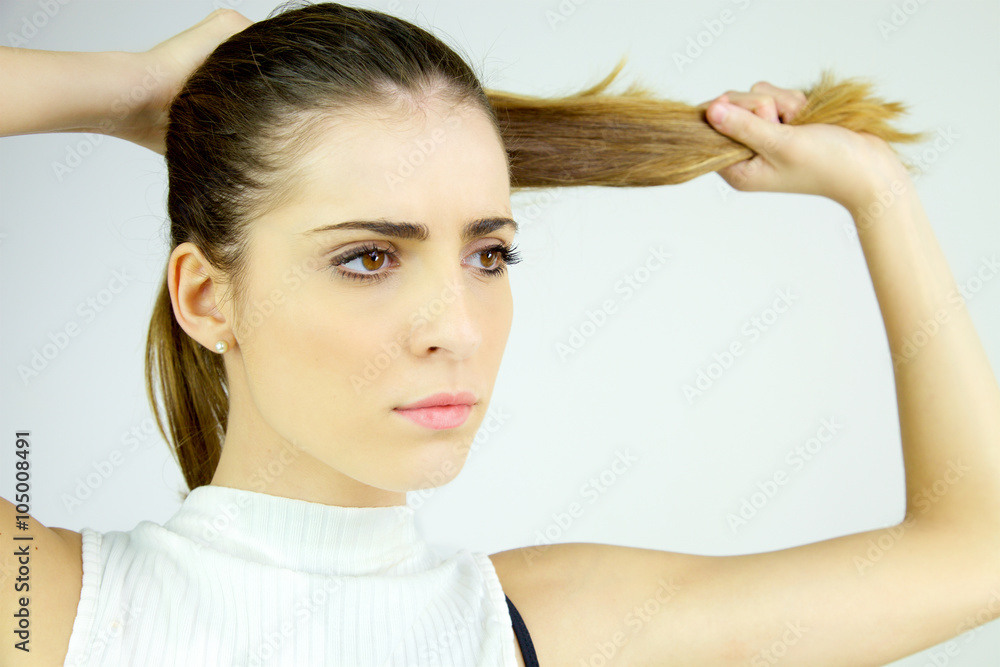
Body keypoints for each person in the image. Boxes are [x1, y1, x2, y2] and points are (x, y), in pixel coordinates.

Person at [2, 2, 999, 666]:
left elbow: (977, 553)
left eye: (488, 255)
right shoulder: (43, 605)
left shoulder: (544, 631)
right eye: (368, 257)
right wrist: (124, 90)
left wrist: (878, 191)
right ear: (207, 297)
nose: (457, 329)